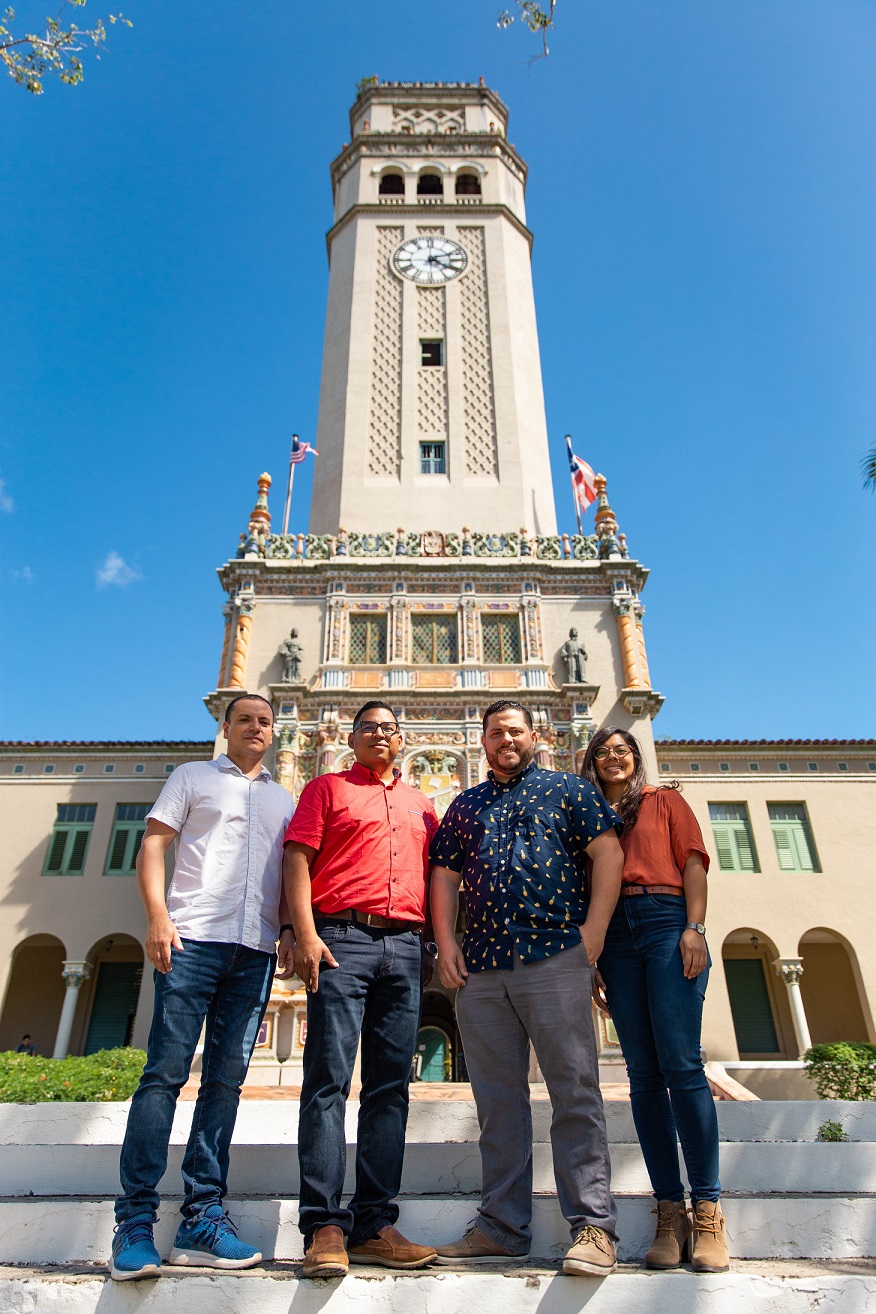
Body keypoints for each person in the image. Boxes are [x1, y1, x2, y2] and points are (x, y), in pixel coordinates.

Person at [430, 700, 625, 1277]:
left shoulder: (568, 790)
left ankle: (593, 1226)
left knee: (574, 1091)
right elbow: (444, 874)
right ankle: (502, 1226)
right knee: (497, 1102)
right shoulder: (466, 804)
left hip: (554, 955)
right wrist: (446, 943)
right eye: (495, 734)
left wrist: (592, 935)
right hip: (483, 968)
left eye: (515, 731)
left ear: (533, 736)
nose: (505, 741)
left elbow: (607, 854)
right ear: (483, 742)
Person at [109, 694, 295, 1282]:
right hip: (191, 940)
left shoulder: (282, 798)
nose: (256, 728)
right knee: (164, 1074)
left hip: (255, 949)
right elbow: (154, 845)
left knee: (224, 1084)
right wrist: (158, 917)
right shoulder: (192, 776)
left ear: (273, 731)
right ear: (227, 725)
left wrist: (288, 929)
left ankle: (202, 1216)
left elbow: (290, 874)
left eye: (265, 721)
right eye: (245, 719)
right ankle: (134, 1221)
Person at [284, 700, 439, 1278]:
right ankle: (323, 1224)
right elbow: (297, 859)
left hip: (405, 944)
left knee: (389, 1087)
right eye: (369, 726)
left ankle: (375, 1223)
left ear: (403, 739)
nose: (380, 735)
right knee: (327, 1079)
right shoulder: (325, 788)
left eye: (389, 728)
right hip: (340, 938)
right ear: (351, 737)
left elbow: (442, 876)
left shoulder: (422, 805)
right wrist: (303, 933)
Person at [581, 726, 729, 1273]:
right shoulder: (591, 816)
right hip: (616, 935)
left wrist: (695, 927)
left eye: (622, 750)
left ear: (635, 758)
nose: (613, 757)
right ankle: (670, 1211)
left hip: (667, 921)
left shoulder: (665, 801)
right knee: (643, 1074)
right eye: (603, 752)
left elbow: (693, 861)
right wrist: (593, 952)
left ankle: (708, 1207)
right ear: (591, 763)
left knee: (683, 1064)